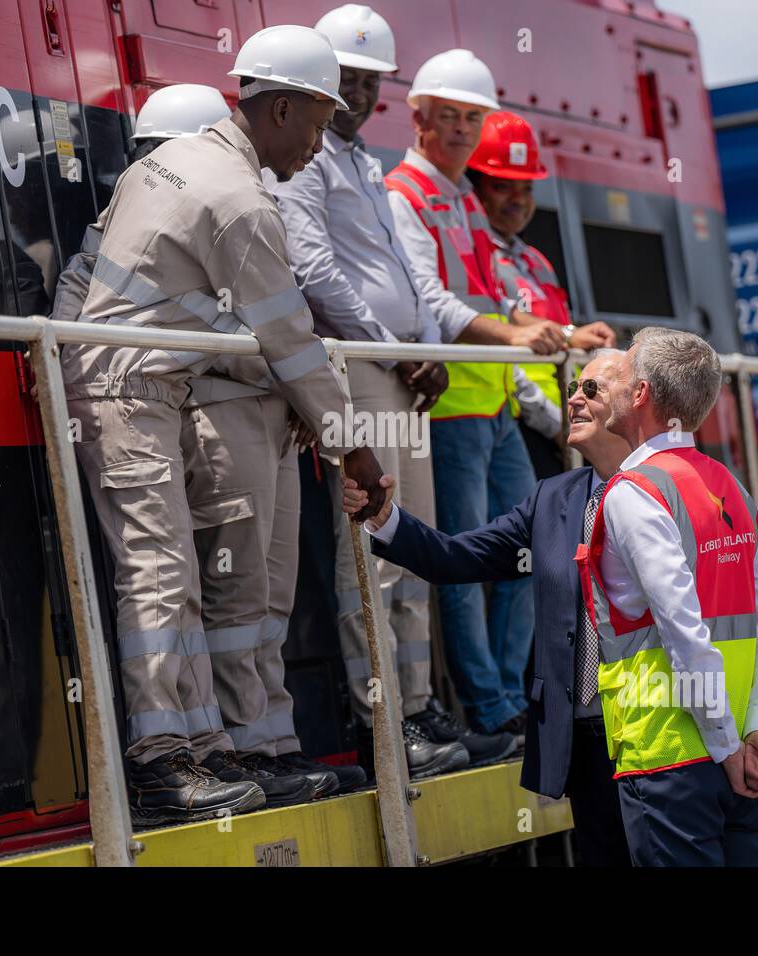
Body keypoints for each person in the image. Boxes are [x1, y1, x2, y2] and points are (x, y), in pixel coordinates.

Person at [58, 25, 387, 825]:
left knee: (176, 576)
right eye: (315, 123)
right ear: (277, 109)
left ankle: (203, 750)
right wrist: (358, 450)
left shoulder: (181, 161)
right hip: (129, 388)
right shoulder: (236, 198)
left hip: (135, 385)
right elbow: (291, 340)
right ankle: (163, 763)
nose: (319, 144)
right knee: (162, 574)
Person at [271, 4, 511, 777]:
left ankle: (418, 706)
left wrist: (426, 347)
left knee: (413, 548)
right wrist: (392, 348)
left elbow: (409, 275)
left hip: (400, 369)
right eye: (353, 80)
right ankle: (388, 719)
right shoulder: (307, 163)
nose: (366, 94)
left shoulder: (365, 164)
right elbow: (313, 268)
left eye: (375, 81)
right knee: (373, 554)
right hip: (364, 370)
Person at [339, 351, 633, 864]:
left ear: (638, 401)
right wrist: (385, 518)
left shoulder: (677, 488)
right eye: (573, 388)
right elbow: (457, 557)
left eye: (592, 389)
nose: (573, 397)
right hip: (586, 744)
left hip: (661, 742)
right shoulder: (553, 500)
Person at [385, 48, 565, 741]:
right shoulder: (404, 192)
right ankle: (488, 710)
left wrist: (545, 330)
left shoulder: (461, 197)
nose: (461, 130)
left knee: (533, 555)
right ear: (419, 117)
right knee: (462, 566)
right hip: (454, 409)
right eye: (449, 117)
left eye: (471, 118)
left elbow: (484, 299)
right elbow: (431, 299)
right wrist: (517, 336)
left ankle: (514, 697)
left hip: (493, 407)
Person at [585, 327, 758, 866]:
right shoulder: (728, 485)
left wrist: (729, 747)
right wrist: (757, 733)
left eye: (620, 378)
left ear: (639, 395)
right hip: (739, 760)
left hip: (667, 761)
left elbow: (685, 633)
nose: (604, 389)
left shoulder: (634, 494)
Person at [465, 110, 617, 478]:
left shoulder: (536, 261)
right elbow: (506, 347)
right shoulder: (472, 257)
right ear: (473, 188)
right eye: (503, 186)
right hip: (525, 427)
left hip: (566, 427)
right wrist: (556, 423)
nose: (518, 199)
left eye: (527, 188)